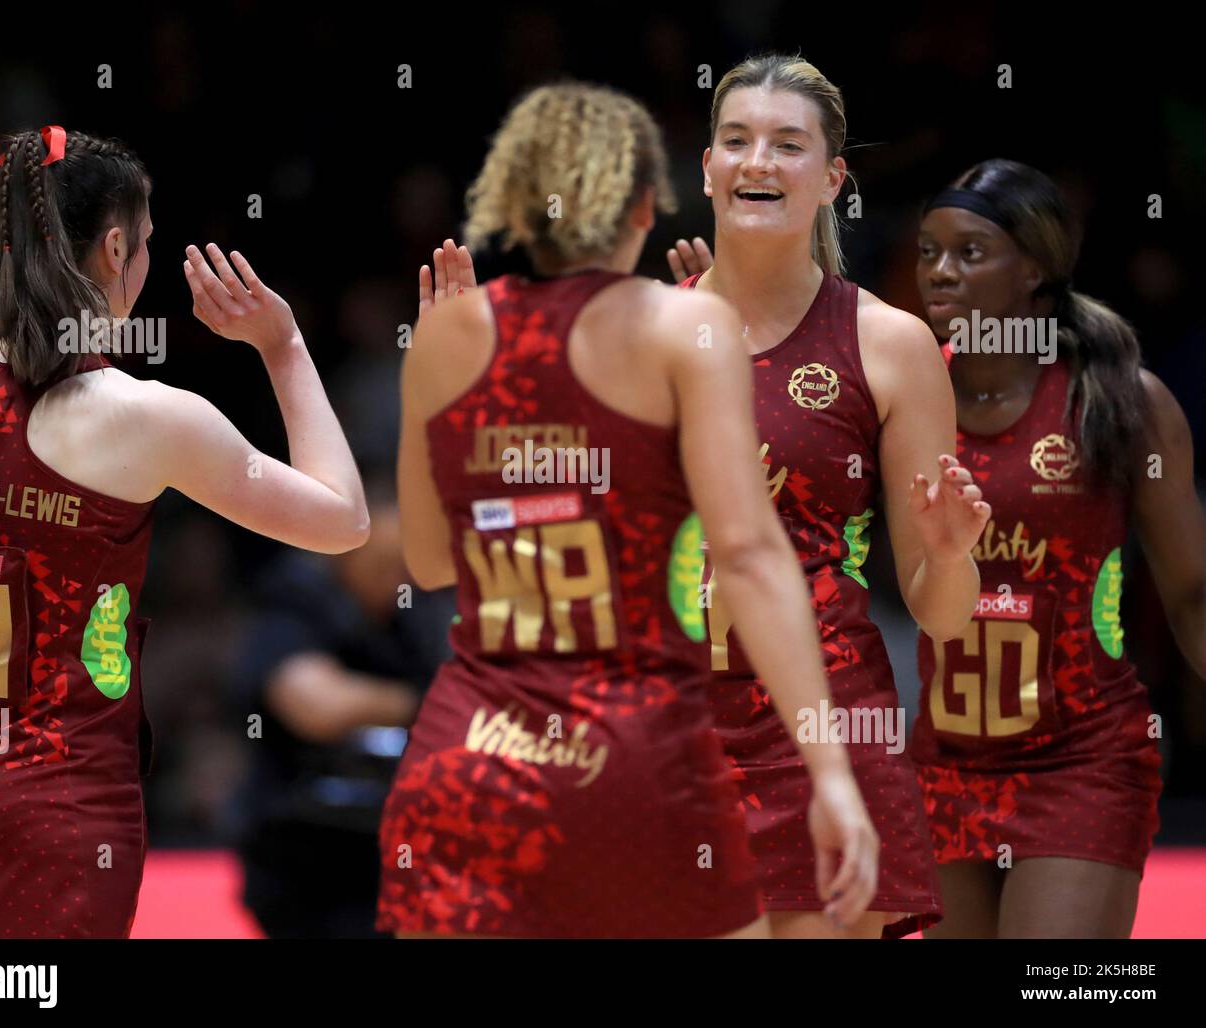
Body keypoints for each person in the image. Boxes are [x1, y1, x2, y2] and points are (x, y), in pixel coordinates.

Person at [383, 82, 879, 938]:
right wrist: (831, 772)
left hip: (470, 754)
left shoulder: (444, 336)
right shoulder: (686, 328)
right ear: (647, 203)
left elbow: (429, 565)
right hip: (635, 757)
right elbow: (754, 558)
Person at [0, 126, 368, 938]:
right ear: (114, 248)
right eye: (147, 244)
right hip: (63, 811)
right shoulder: (149, 418)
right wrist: (285, 347)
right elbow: (343, 522)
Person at [666, 52, 990, 938]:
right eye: (735, 141)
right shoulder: (637, 332)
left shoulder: (892, 345)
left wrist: (952, 552)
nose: (758, 162)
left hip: (829, 716)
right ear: (707, 168)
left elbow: (946, 616)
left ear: (833, 179)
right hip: (676, 724)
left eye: (787, 144)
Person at [912, 158, 1206, 937]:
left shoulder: (1120, 399)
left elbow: (1191, 596)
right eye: (927, 252)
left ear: (1034, 268)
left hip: (1083, 758)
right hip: (941, 759)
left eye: (970, 252)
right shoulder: (905, 393)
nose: (940, 272)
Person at [231, 482, 453, 937]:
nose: (398, 581)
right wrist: (416, 703)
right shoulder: (296, 603)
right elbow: (315, 705)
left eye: (405, 569)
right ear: (346, 552)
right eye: (386, 566)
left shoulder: (413, 617)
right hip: (305, 863)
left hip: (393, 857)